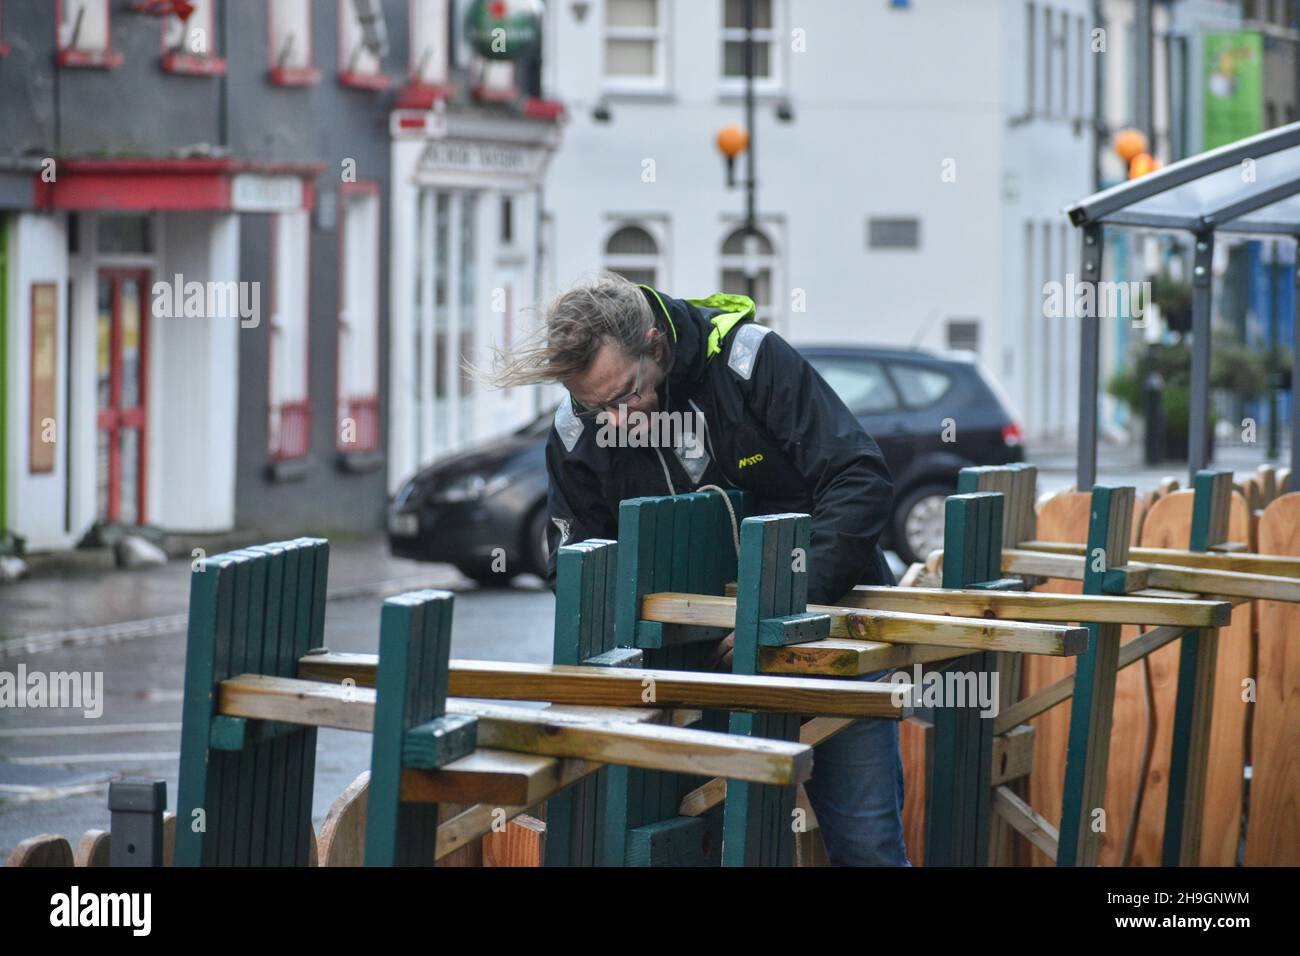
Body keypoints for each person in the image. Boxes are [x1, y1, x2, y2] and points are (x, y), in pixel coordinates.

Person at [490, 273, 909, 866]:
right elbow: (578, 565)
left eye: (623, 396)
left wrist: (788, 605)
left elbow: (858, 476)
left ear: (656, 346)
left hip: (830, 641)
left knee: (867, 850)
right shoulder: (577, 428)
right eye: (593, 404)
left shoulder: (749, 361)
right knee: (699, 849)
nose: (612, 419)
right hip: (688, 674)